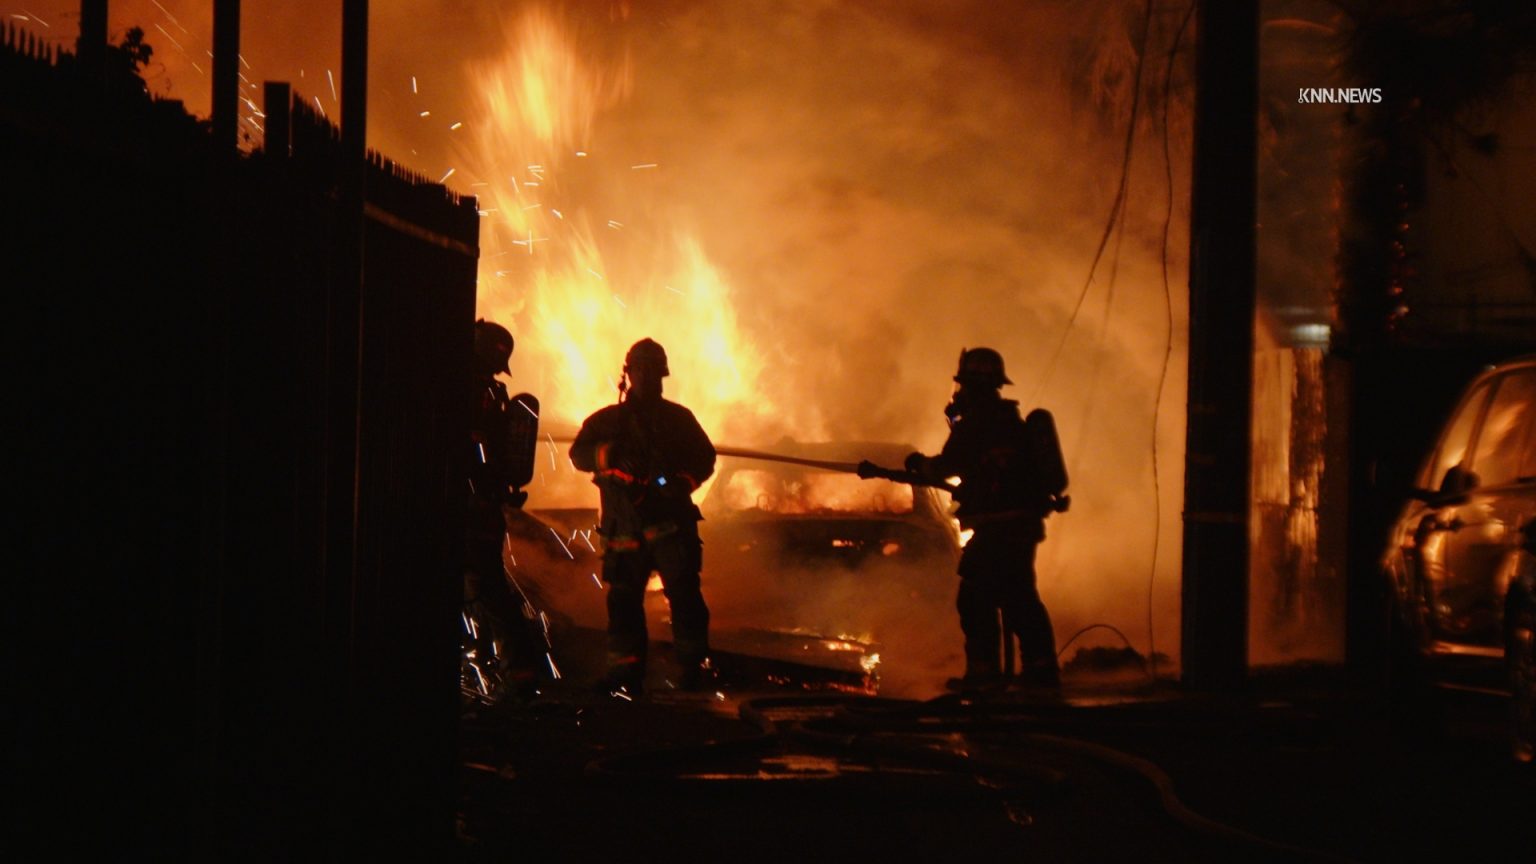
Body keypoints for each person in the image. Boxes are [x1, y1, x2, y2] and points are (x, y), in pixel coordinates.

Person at [904, 347, 1068, 692]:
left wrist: (918, 464)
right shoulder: (1011, 423)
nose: (959, 394)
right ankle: (1041, 670)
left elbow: (946, 466)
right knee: (1019, 595)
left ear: (973, 387)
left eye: (963, 386)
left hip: (997, 527)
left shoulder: (977, 424)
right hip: (1021, 525)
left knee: (976, 597)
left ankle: (984, 675)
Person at [569, 338, 717, 695]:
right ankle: (624, 676)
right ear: (629, 373)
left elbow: (704, 458)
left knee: (684, 597)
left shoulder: (679, 419)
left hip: (671, 525)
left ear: (663, 374)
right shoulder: (606, 421)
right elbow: (579, 454)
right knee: (622, 603)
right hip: (624, 528)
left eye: (654, 371)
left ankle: (692, 669)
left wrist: (679, 482)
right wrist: (611, 455)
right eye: (641, 370)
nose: (648, 377)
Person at [464, 318, 543, 698]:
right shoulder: (493, 395)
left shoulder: (475, 394)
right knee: (485, 589)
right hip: (480, 507)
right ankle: (514, 670)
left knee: (485, 589)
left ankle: (517, 673)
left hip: (473, 507)